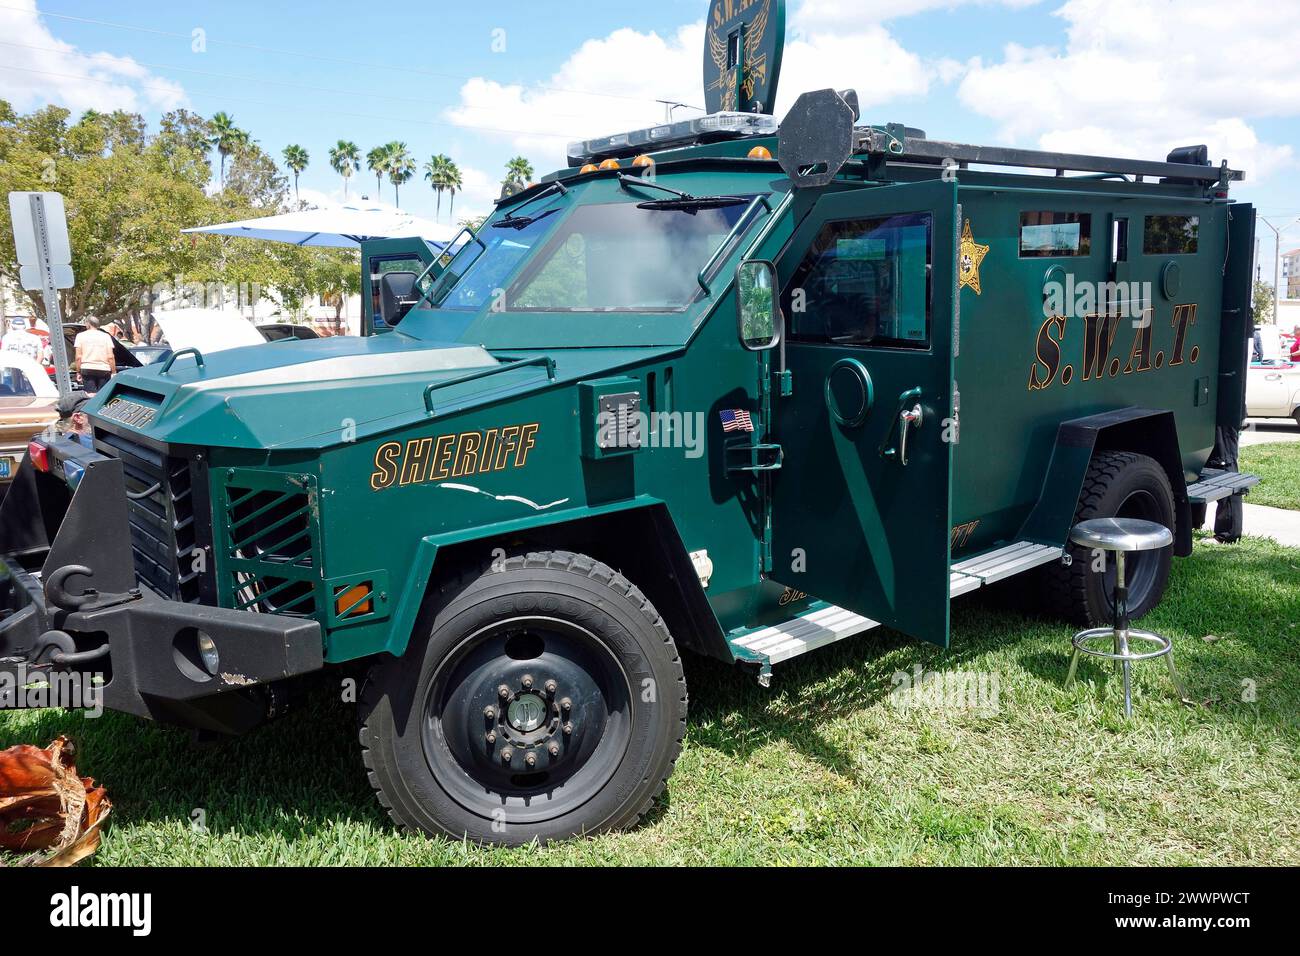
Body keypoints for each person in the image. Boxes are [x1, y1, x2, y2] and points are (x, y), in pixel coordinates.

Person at [74, 316, 116, 393]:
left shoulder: (80, 336)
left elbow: (78, 357)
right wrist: (113, 372)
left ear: (88, 324)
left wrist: (78, 371)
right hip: (104, 369)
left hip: (87, 368)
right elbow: (110, 356)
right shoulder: (106, 336)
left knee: (90, 395)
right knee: (103, 394)